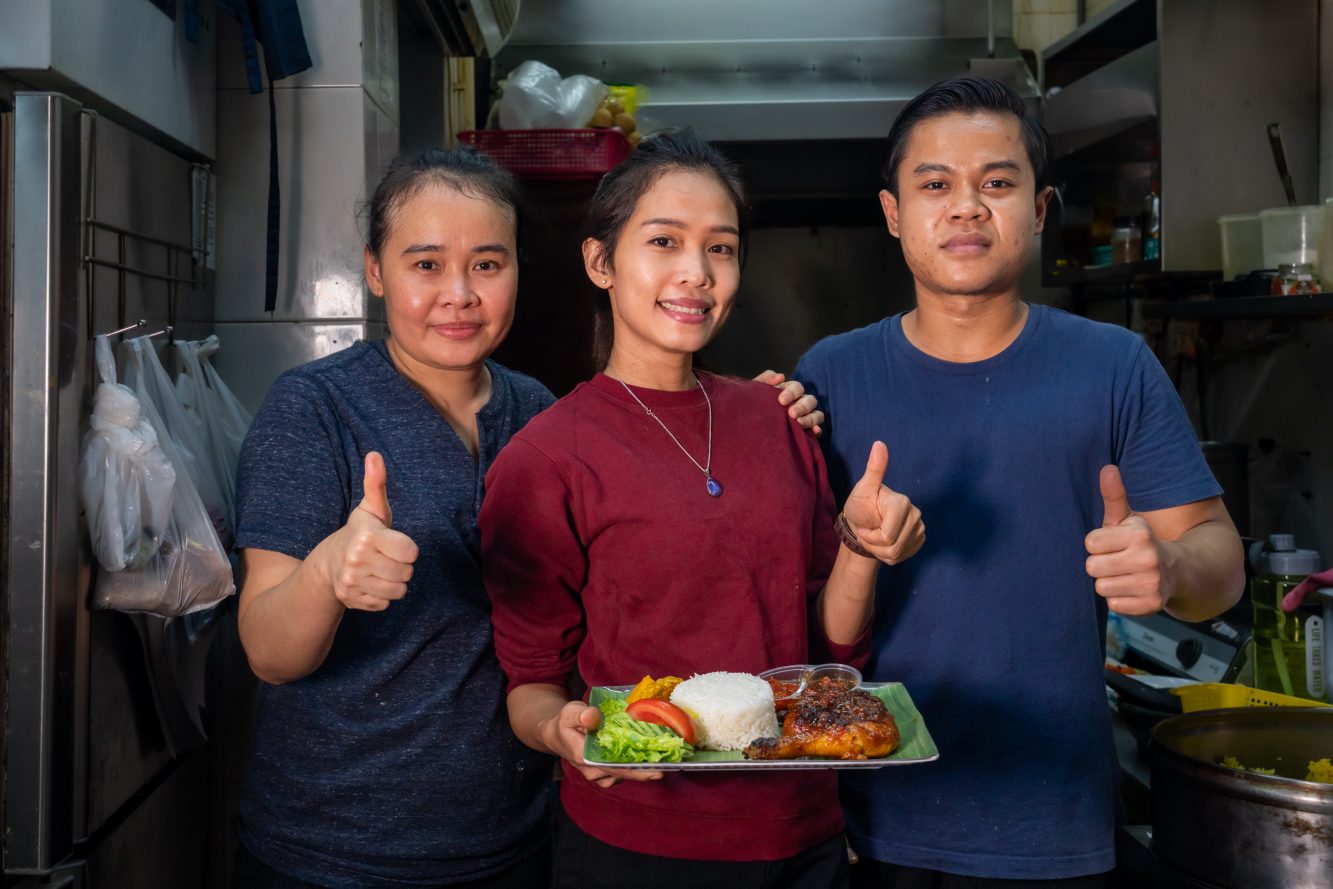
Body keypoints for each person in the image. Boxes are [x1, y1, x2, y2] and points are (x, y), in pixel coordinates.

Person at [230, 146, 826, 889]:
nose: (459, 293)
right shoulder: (313, 409)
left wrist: (760, 417)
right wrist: (326, 573)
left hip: (513, 832)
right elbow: (268, 651)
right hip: (338, 845)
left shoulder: (538, 414)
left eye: (487, 263)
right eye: (424, 265)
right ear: (375, 271)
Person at [793, 78, 1246, 888]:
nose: (965, 207)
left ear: (1038, 209)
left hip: (1052, 814)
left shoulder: (1112, 367)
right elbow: (792, 607)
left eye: (995, 183)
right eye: (934, 185)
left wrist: (1172, 569)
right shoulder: (828, 376)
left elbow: (1218, 562)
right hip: (869, 813)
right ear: (893, 213)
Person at [478, 130, 926, 889]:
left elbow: (826, 647)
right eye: (663, 241)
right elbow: (530, 682)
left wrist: (860, 548)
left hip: (801, 831)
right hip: (636, 844)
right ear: (599, 262)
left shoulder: (779, 419)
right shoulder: (546, 454)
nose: (695, 272)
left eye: (720, 249)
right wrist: (559, 731)